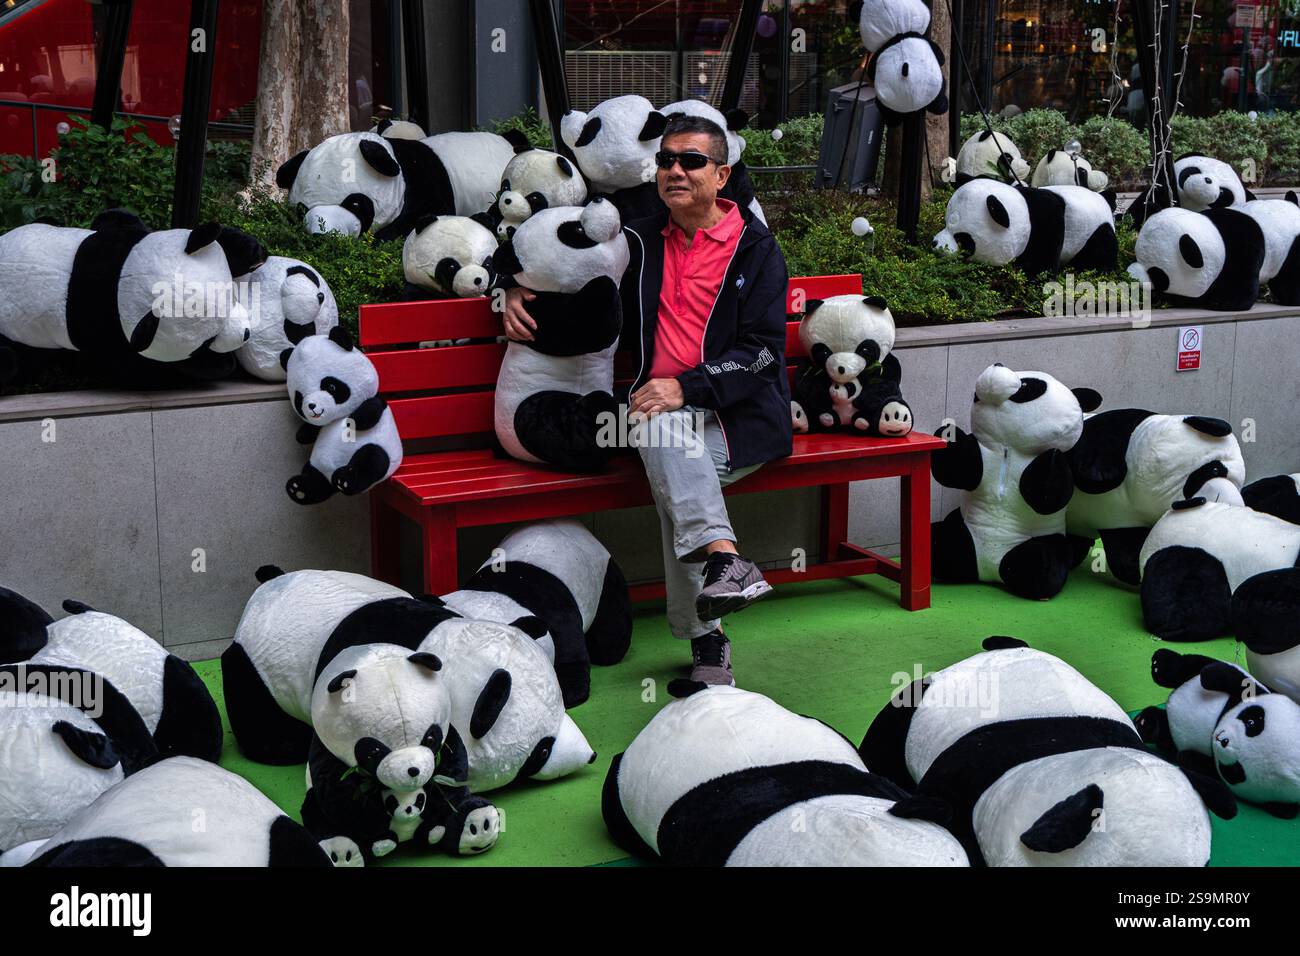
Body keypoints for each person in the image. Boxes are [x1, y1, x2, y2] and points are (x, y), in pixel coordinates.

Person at [502, 113, 791, 688]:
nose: (675, 171)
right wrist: (505, 283)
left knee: (672, 476)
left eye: (691, 161)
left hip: (734, 417)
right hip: (654, 411)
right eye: (666, 160)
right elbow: (550, 242)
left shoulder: (757, 251)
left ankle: (712, 621)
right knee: (664, 438)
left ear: (722, 173)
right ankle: (722, 565)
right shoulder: (636, 236)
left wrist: (688, 387)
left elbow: (763, 354)